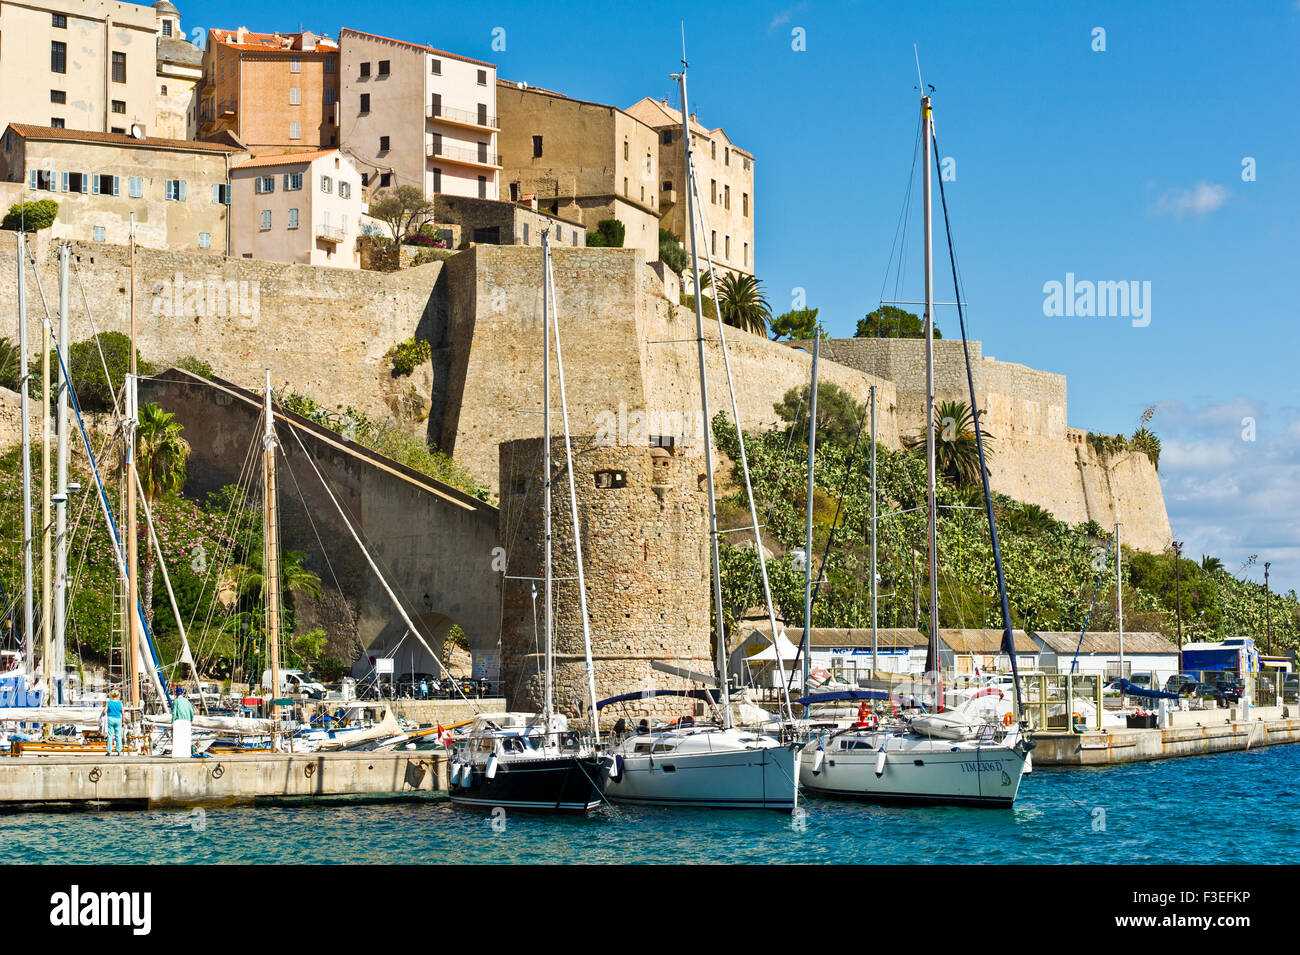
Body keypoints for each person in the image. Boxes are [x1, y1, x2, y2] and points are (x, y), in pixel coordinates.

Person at [171, 687, 196, 758]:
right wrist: (191, 720)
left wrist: (172, 722)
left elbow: (174, 712)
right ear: (182, 693)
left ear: (176, 694)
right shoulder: (187, 701)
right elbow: (192, 712)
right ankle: (186, 754)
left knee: (179, 739)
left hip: (179, 722)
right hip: (187, 722)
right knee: (186, 739)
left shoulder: (176, 701)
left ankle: (178, 754)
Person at [104, 689, 123, 756]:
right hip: (118, 719)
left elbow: (104, 711)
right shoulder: (120, 703)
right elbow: (122, 712)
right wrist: (123, 721)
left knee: (110, 735)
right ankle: (119, 750)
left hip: (110, 719)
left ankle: (109, 751)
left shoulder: (108, 702)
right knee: (118, 735)